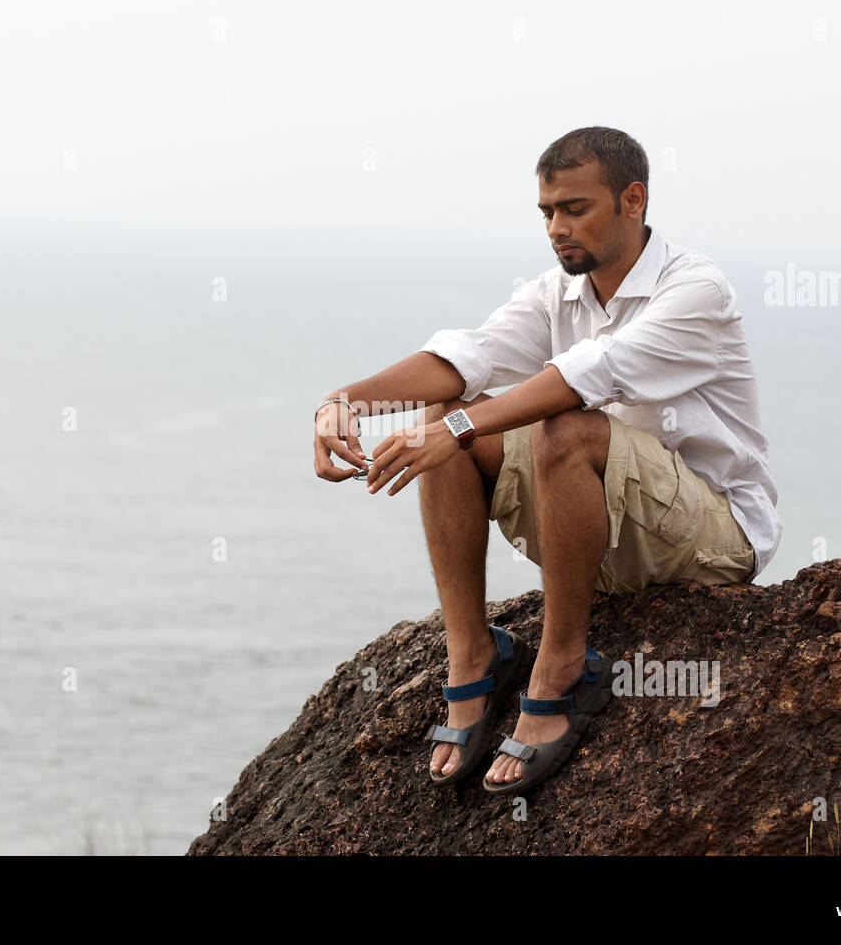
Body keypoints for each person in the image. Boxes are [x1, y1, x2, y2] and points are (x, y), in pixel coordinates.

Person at [312, 126, 781, 795]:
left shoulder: (694, 289)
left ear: (632, 200)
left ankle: (561, 665)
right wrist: (345, 401)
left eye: (575, 208)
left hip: (711, 540)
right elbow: (468, 358)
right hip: (606, 536)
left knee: (559, 428)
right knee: (443, 415)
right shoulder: (556, 294)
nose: (557, 228)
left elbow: (592, 373)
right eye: (547, 212)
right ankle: (472, 655)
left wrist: (460, 426)